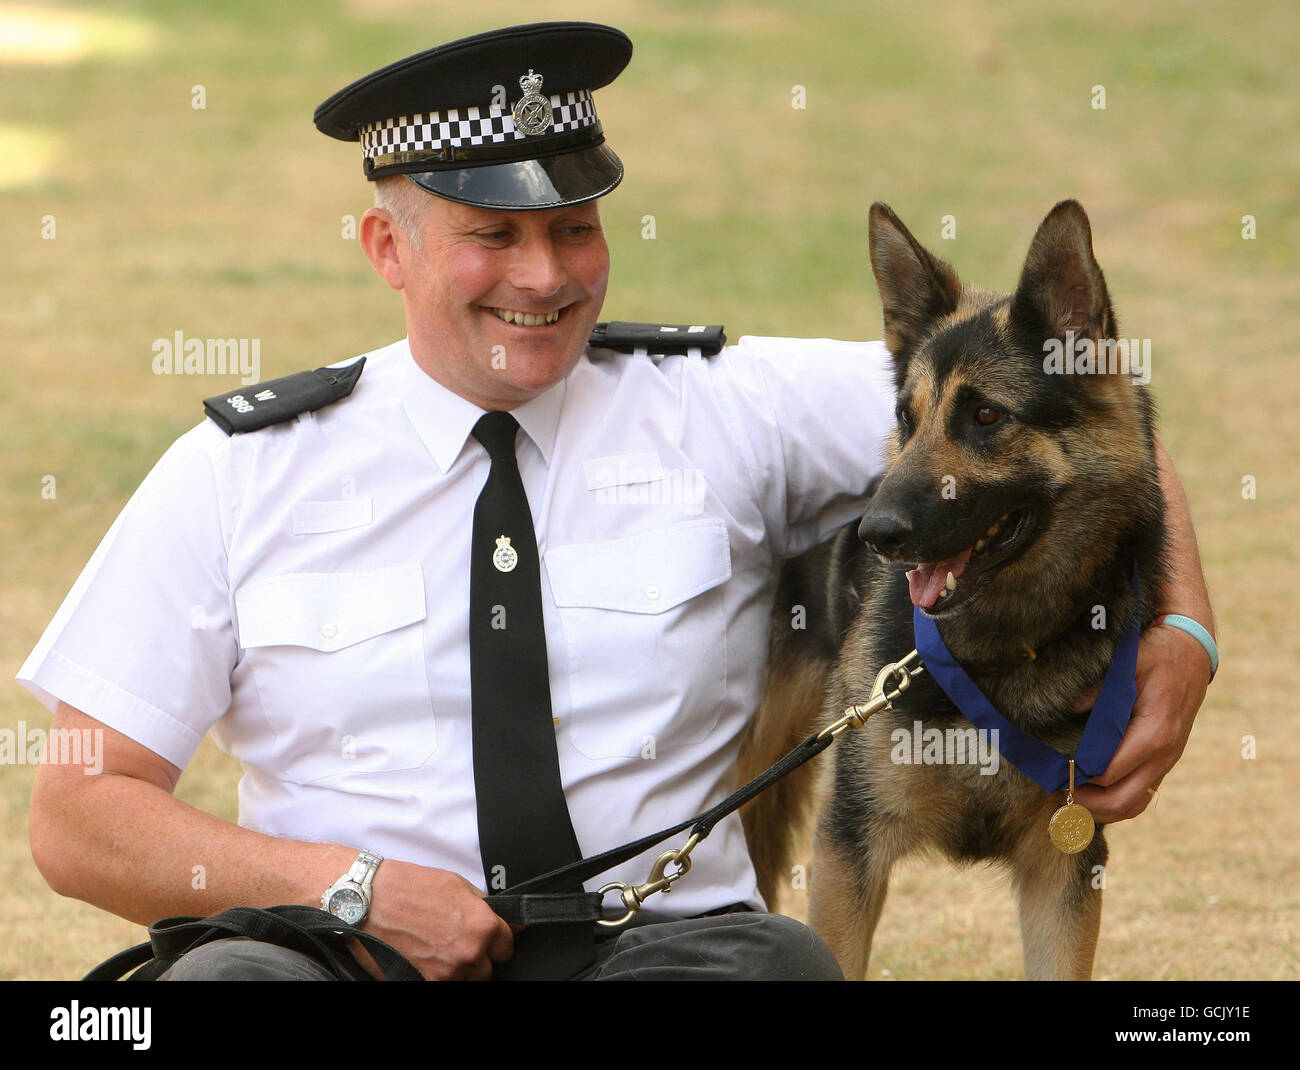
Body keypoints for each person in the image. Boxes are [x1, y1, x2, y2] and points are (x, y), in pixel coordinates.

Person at [18, 21, 1215, 982]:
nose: (545, 277)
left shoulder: (724, 404)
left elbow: (1074, 415)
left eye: (574, 229)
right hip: (337, 953)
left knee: (771, 970)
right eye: (493, 234)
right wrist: (354, 889)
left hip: (660, 949)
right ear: (389, 247)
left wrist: (1184, 630)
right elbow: (77, 813)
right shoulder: (243, 468)